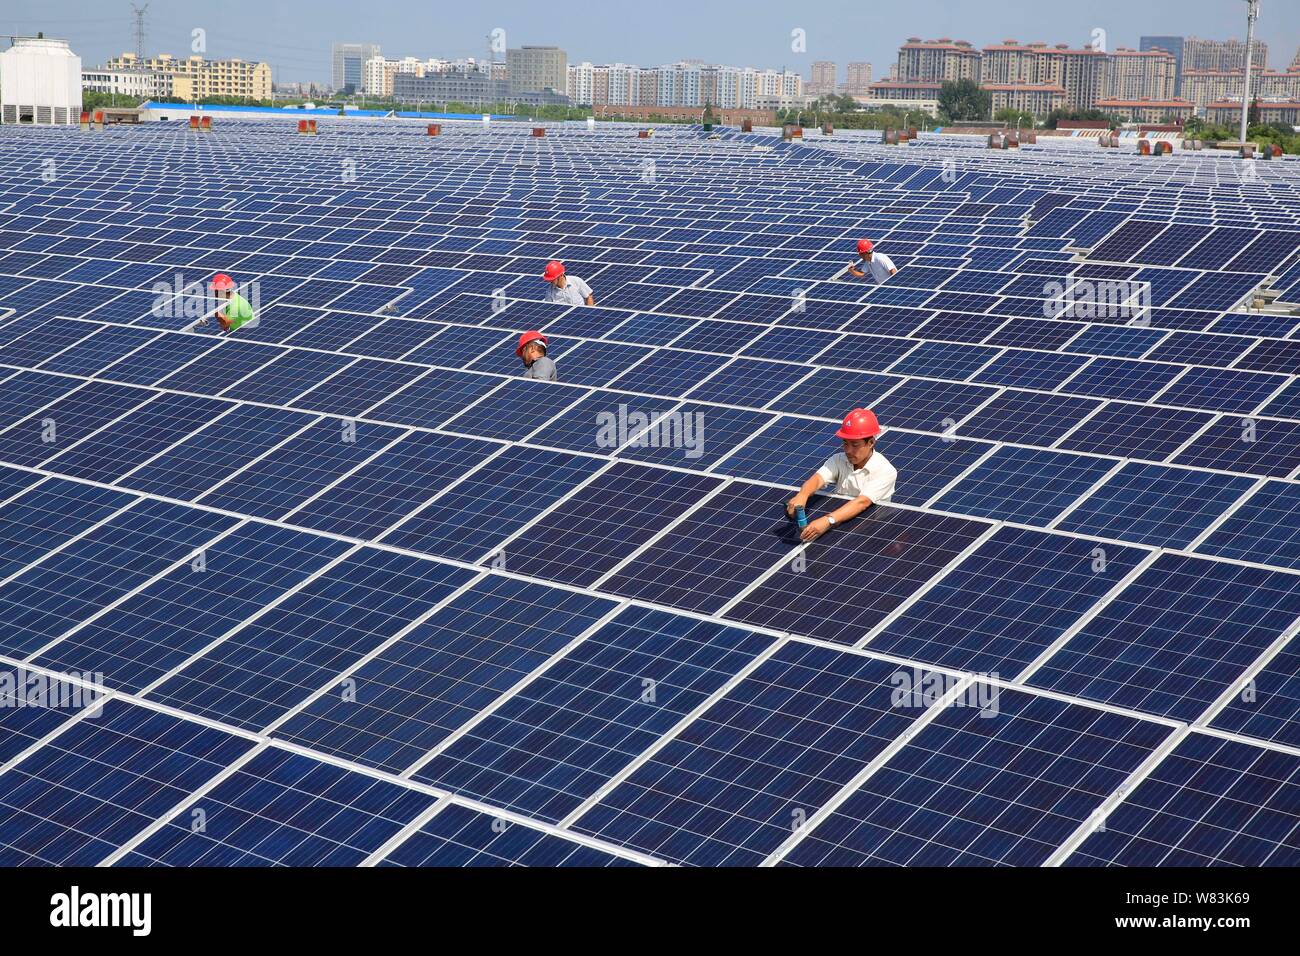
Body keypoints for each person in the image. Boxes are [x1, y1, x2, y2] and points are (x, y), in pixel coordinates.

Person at [785, 408, 896, 542]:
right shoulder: (838, 459)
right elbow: (818, 479)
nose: (848, 450)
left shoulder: (886, 471)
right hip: (840, 524)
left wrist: (828, 520)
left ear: (871, 442)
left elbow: (862, 502)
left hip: (870, 532)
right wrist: (802, 495)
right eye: (845, 443)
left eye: (855, 445)